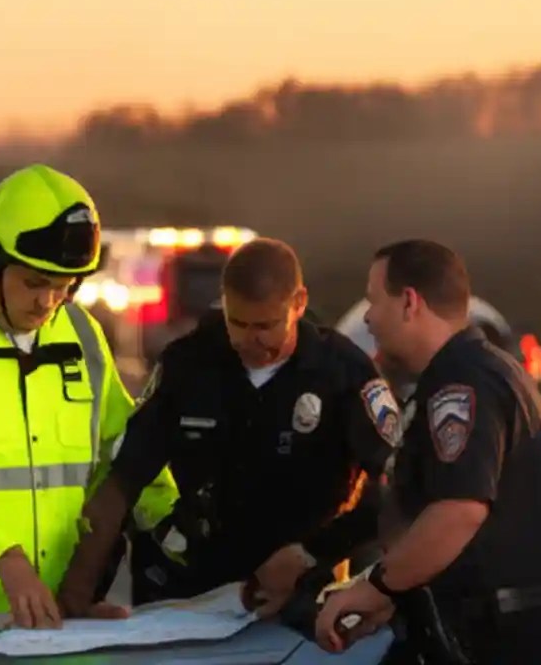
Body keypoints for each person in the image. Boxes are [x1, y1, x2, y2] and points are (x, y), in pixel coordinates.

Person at [0, 164, 177, 647]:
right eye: (35, 283)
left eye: (66, 286)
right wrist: (6, 560)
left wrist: (181, 535)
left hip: (64, 627)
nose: (49, 302)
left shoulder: (82, 334)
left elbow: (126, 454)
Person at [58, 237, 399, 621]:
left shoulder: (342, 374)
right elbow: (122, 482)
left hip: (303, 594)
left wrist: (312, 554)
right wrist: (78, 593)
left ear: (298, 304)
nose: (250, 340)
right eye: (238, 323)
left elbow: (396, 487)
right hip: (194, 590)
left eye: (266, 326)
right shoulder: (189, 364)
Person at [314, 239, 541, 664]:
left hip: (488, 640)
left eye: (374, 301)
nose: (370, 318)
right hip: (474, 631)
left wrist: (376, 587)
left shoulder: (464, 384)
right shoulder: (467, 375)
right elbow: (409, 503)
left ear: (409, 302)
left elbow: (457, 512)